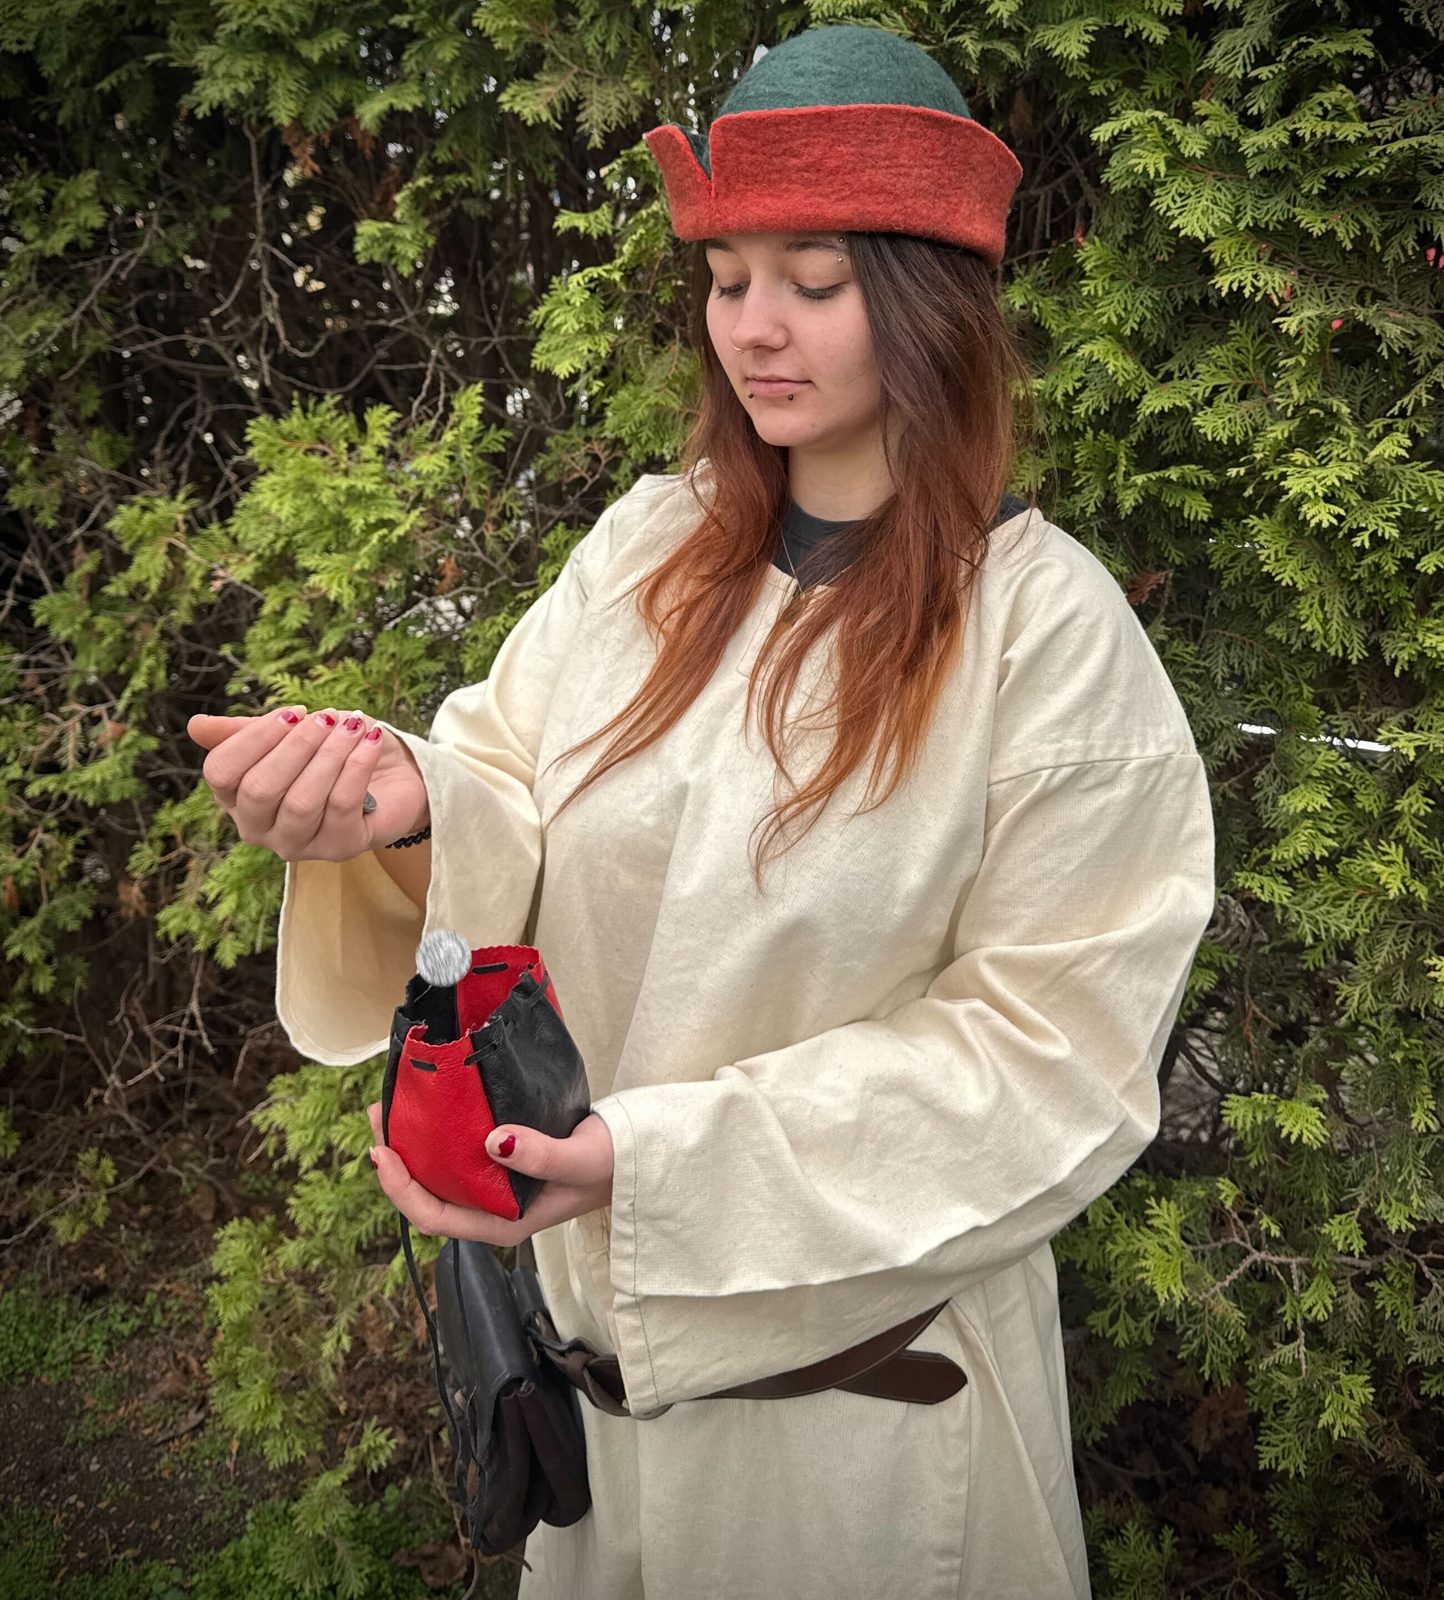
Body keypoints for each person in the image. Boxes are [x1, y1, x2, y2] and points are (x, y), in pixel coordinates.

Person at [189, 23, 1215, 1600]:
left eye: (814, 278)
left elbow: (1052, 1057)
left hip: (869, 1455)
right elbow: (508, 782)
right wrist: (398, 808)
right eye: (729, 278)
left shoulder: (1046, 635)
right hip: (608, 1425)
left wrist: (653, 1164)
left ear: (930, 299)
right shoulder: (652, 547)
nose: (756, 327)